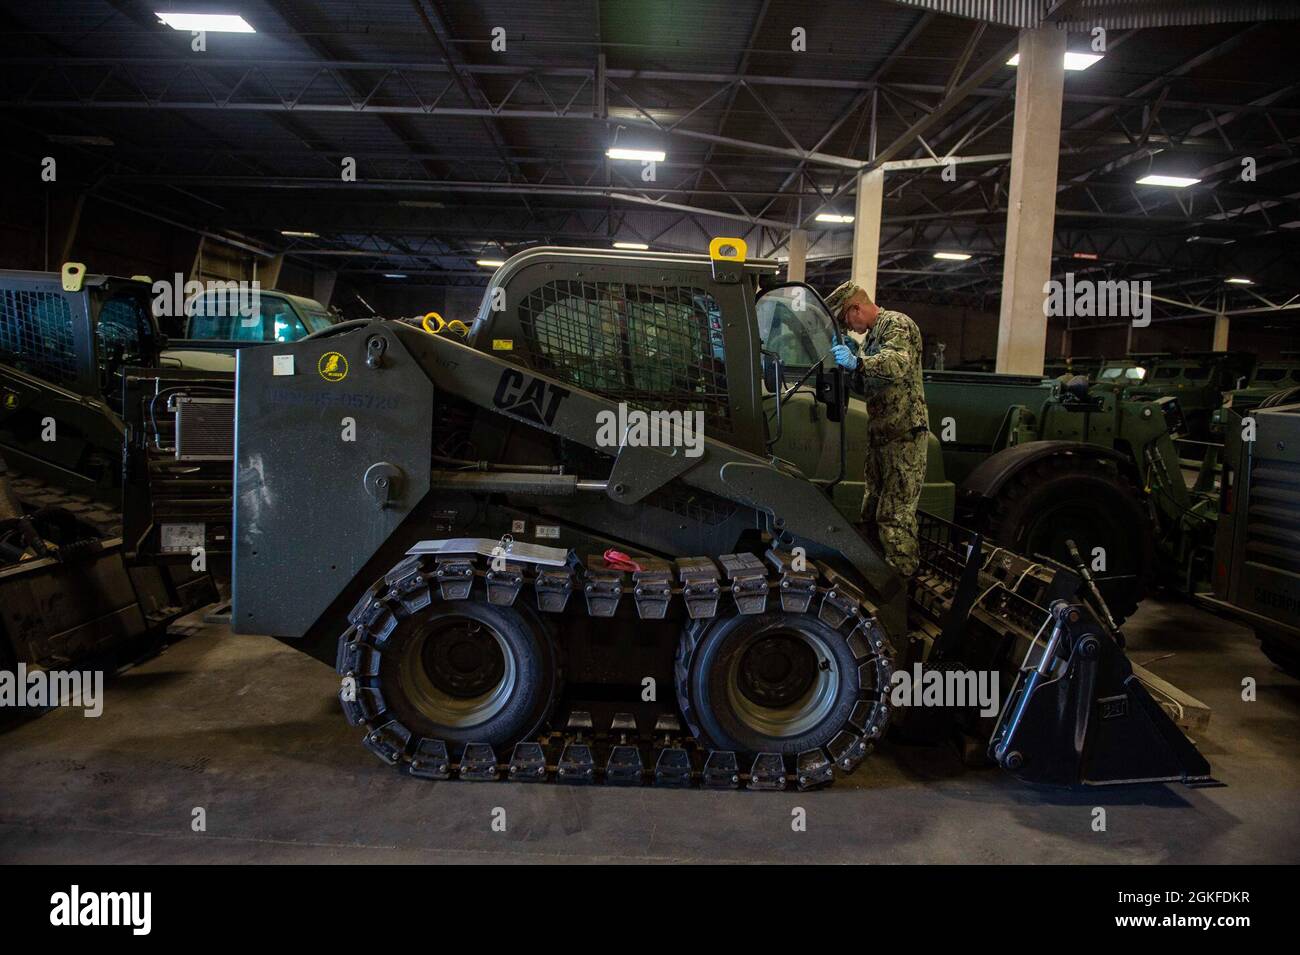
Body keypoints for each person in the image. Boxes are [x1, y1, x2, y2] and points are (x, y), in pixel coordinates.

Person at [823, 281, 929, 578]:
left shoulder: (897, 323)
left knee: (895, 517)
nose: (851, 327)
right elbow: (868, 384)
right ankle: (876, 579)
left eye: (846, 320)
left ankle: (901, 587)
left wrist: (858, 361)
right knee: (871, 513)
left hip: (904, 435)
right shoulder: (871, 339)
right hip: (881, 436)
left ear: (856, 308)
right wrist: (851, 367)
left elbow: (897, 364)